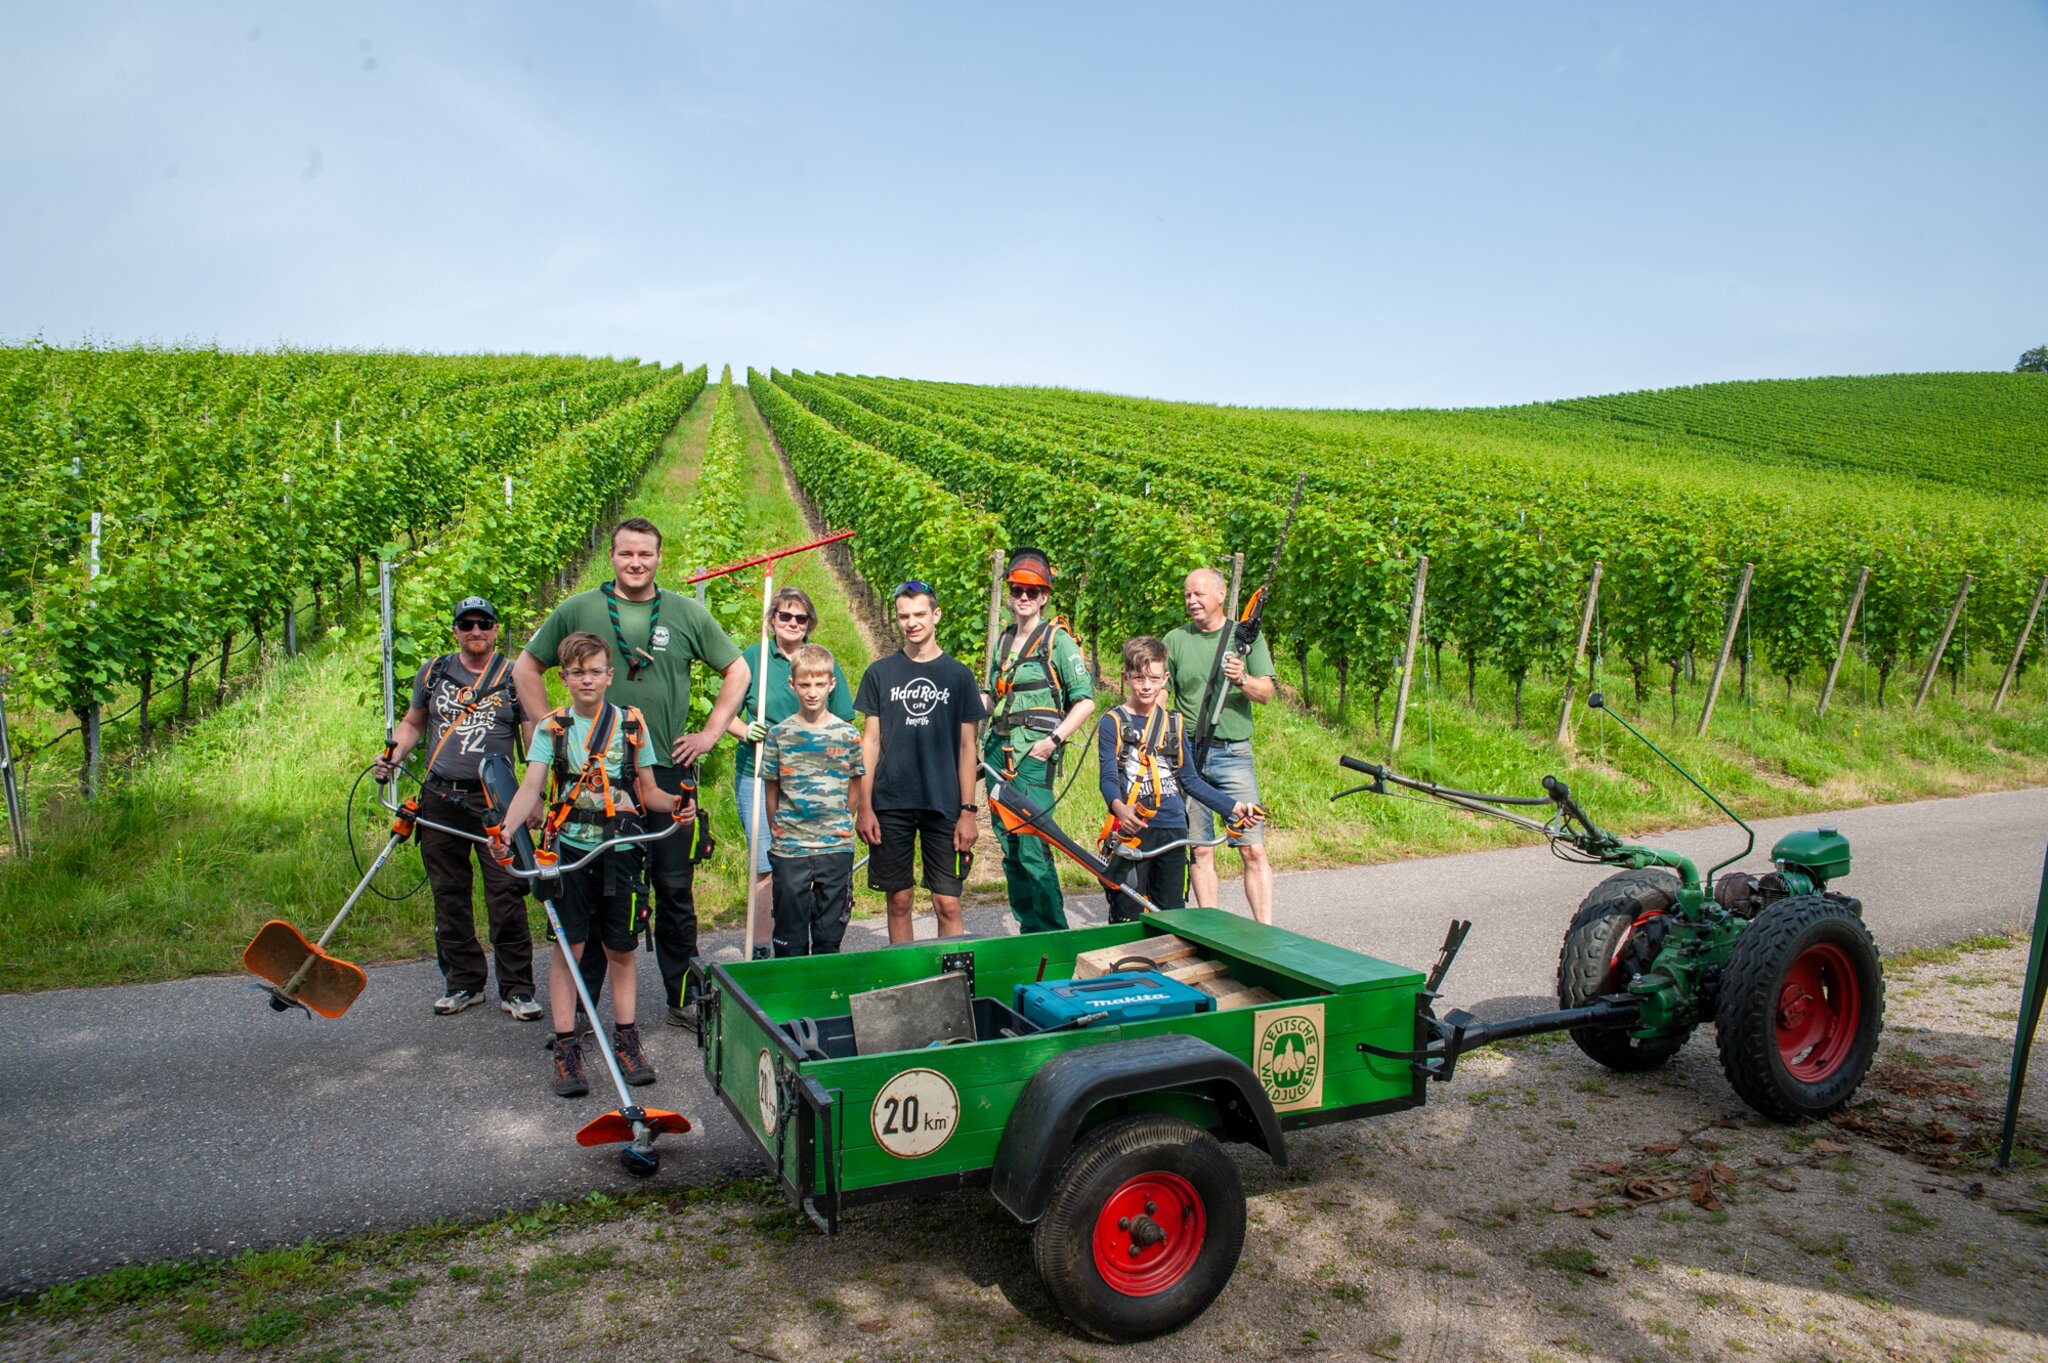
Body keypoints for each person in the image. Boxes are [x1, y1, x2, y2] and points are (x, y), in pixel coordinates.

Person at [514, 517, 750, 1032]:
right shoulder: (579, 609)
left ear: (660, 557)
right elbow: (525, 667)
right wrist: (550, 731)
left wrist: (711, 733)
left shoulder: (686, 612)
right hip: (593, 781)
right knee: (595, 891)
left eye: (645, 554)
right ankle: (579, 1013)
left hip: (664, 770)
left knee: (674, 888)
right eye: (626, 553)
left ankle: (684, 999)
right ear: (612, 556)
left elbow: (738, 670)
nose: (636, 563)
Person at [491, 632, 693, 1097]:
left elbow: (648, 792)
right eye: (577, 672)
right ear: (563, 678)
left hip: (621, 852)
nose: (587, 680)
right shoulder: (552, 729)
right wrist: (505, 830)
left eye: (595, 671)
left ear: (609, 675)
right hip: (569, 855)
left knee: (621, 949)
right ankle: (567, 1046)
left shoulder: (632, 725)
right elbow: (530, 788)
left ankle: (627, 1039)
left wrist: (676, 806)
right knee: (570, 949)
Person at [374, 595, 537, 1020]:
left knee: (506, 891)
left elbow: (534, 736)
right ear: (456, 631)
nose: (475, 631)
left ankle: (517, 989)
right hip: (439, 797)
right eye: (467, 624)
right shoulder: (434, 672)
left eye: (484, 623)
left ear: (496, 629)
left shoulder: (516, 677)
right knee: (449, 892)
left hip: (496, 801)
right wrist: (393, 756)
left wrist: (535, 795)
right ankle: (464, 982)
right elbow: (413, 724)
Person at [854, 581, 985, 943]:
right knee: (899, 901)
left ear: (936, 615)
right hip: (890, 802)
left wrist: (969, 811)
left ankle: (953, 973)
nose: (911, 623)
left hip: (943, 803)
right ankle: (906, 975)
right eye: (903, 616)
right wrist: (865, 806)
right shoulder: (879, 673)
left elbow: (967, 747)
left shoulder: (959, 676)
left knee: (948, 904)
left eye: (919, 614)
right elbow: (870, 742)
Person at [727, 586, 855, 957]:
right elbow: (725, 714)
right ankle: (763, 945)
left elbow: (844, 721)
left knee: (811, 869)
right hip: (761, 770)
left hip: (814, 778)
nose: (793, 623)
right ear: (772, 620)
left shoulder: (821, 662)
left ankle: (815, 938)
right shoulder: (754, 658)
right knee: (768, 862)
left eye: (801, 618)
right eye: (785, 615)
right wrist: (745, 730)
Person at [1097, 636, 1263, 922]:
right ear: (1126, 677)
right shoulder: (1113, 721)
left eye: (1154, 679)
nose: (1146, 686)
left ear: (1165, 679)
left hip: (1173, 829)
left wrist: (1234, 807)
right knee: (1127, 912)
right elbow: (1109, 777)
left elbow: (1190, 781)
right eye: (1138, 678)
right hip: (1133, 830)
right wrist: (1120, 809)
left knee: (1171, 914)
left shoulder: (1174, 723)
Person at [980, 548, 1094, 933]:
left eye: (1032, 591)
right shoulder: (1003, 640)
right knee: (1009, 848)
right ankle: (1028, 930)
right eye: (1017, 590)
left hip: (1033, 757)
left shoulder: (1057, 641)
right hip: (998, 753)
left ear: (1045, 596)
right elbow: (993, 697)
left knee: (1033, 845)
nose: (1024, 597)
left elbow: (1085, 701)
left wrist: (1053, 741)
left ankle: (1052, 932)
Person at [1165, 567, 1279, 924]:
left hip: (1233, 754)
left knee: (1252, 848)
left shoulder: (1245, 638)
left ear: (1220, 595)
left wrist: (1242, 678)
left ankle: (1265, 932)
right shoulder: (1175, 640)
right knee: (1200, 850)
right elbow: (1160, 695)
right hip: (1189, 755)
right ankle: (1211, 930)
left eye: (1198, 594)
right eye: (1187, 595)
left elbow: (1266, 693)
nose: (1192, 601)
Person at [760, 644, 867, 957]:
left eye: (819, 684)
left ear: (831, 684)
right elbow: (771, 790)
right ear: (792, 684)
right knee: (789, 938)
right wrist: (780, 830)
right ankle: (791, 985)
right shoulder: (779, 734)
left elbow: (855, 785)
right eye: (805, 684)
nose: (812, 692)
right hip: (790, 848)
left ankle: (825, 986)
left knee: (828, 937)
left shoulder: (847, 734)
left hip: (835, 846)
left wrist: (841, 822)